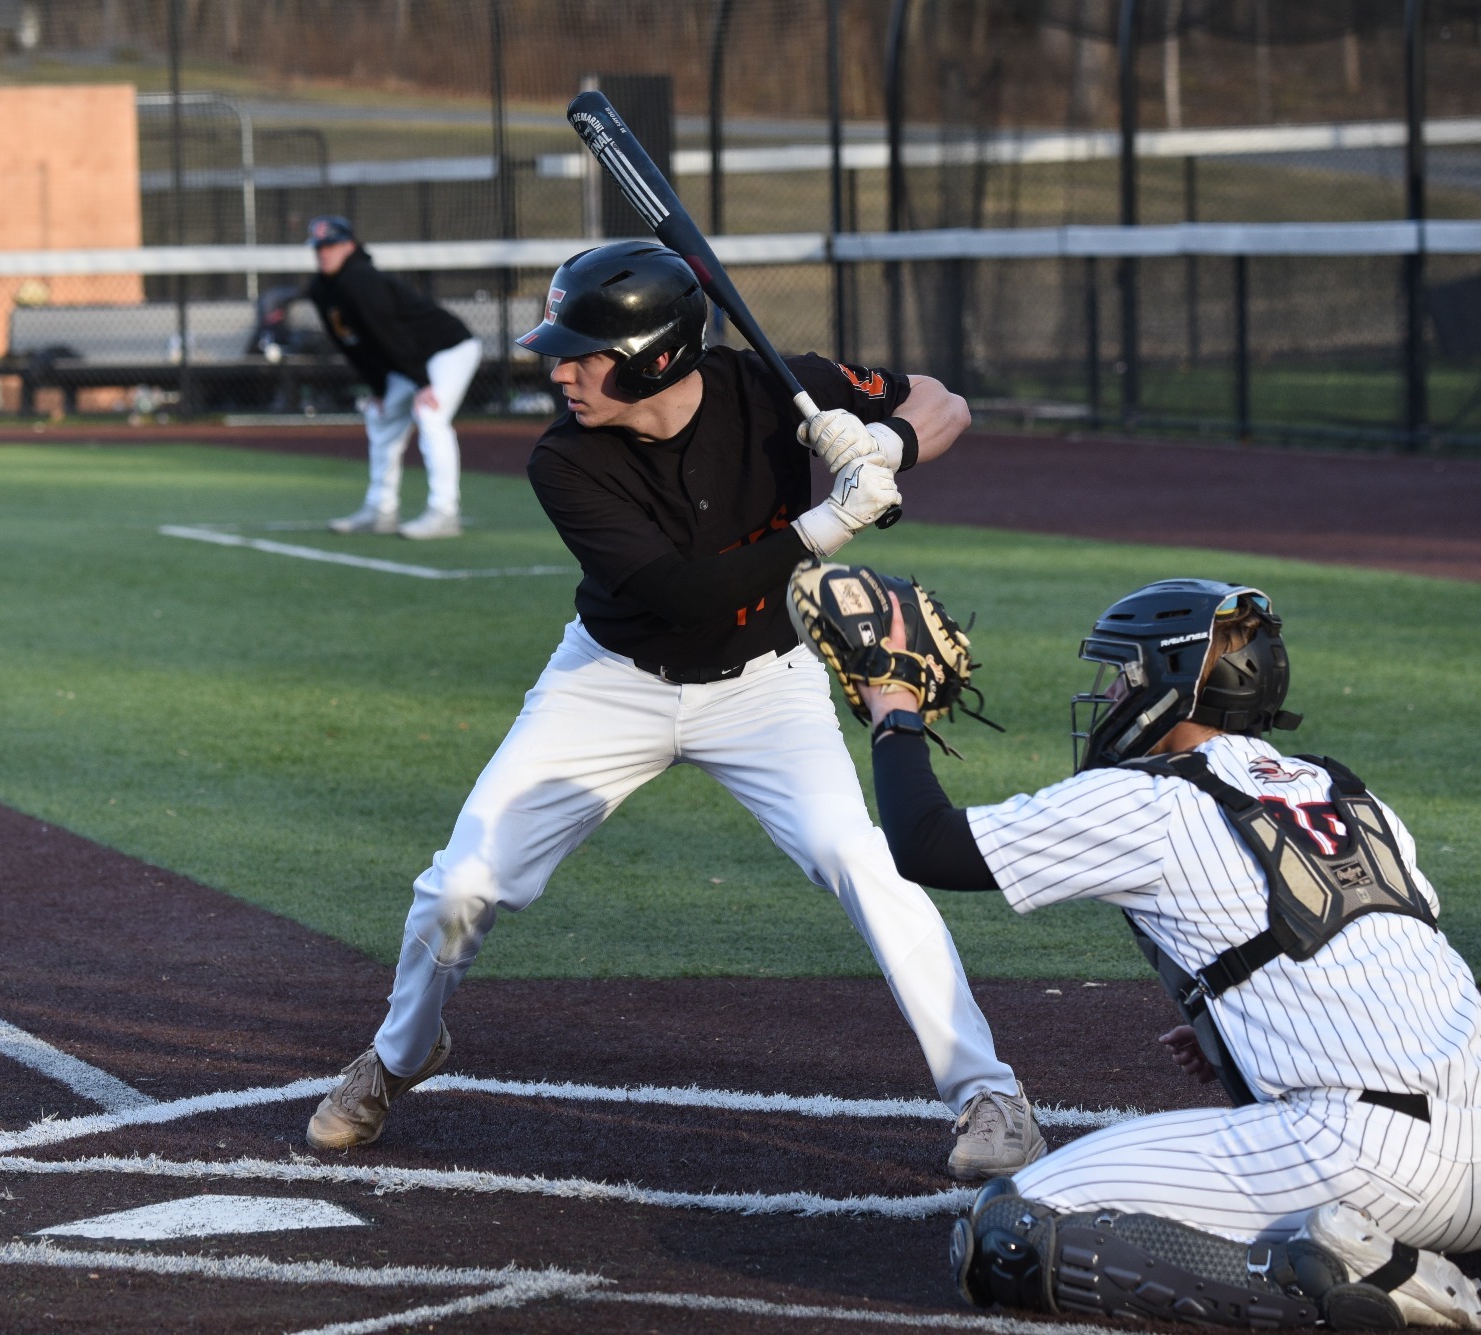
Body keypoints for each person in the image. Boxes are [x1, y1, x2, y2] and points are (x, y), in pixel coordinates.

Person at [304, 240, 1048, 1183]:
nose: (559, 370)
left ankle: (990, 1094)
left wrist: (881, 443)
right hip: (612, 680)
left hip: (766, 684)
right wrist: (831, 519)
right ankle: (400, 1055)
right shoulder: (565, 459)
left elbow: (944, 402)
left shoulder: (777, 386)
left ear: (656, 355)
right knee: (460, 887)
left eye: (582, 352)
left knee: (862, 858)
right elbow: (686, 593)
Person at [847, 576, 1481, 1329]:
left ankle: (1350, 1276)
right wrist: (1240, 1030)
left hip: (1372, 1160)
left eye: (1122, 674)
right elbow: (1382, 955)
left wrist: (895, 706)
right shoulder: (1345, 790)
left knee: (1009, 1232)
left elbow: (927, 844)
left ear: (1168, 685)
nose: (1110, 694)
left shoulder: (1152, 798)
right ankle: (1367, 1246)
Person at [307, 216, 482, 540]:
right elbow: (351, 343)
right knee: (381, 415)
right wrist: (378, 388)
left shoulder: (360, 278)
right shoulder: (321, 288)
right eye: (318, 247)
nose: (323, 253)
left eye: (330, 246)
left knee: (430, 413)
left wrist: (422, 383)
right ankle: (380, 509)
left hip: (448, 348)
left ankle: (445, 512)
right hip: (410, 360)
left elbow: (388, 331)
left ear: (349, 246)